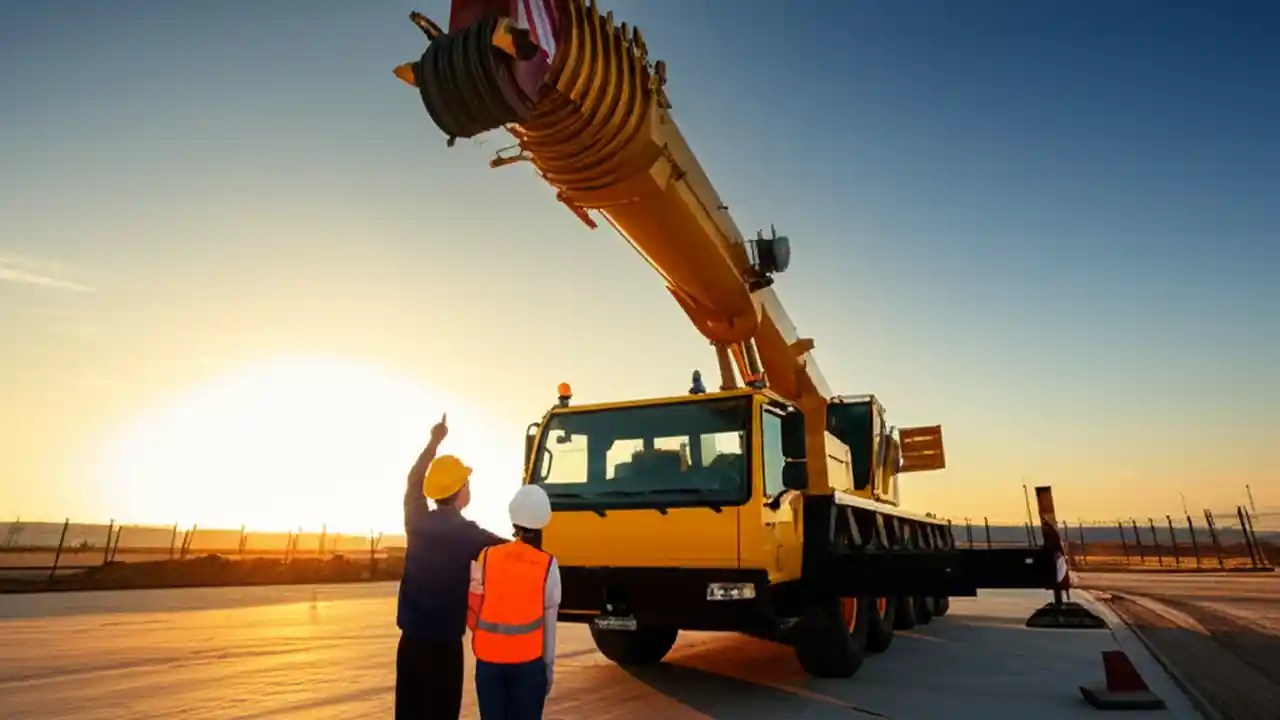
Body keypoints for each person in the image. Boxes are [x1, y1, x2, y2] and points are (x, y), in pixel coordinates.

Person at [396, 413, 506, 720]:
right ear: (460, 491)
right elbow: (508, 551)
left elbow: (414, 478)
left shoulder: (416, 519)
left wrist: (434, 440)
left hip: (410, 642)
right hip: (444, 647)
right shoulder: (467, 533)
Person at [467, 484, 561, 720]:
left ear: (513, 519)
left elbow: (475, 607)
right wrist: (548, 669)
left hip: (488, 664)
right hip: (527, 666)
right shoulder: (547, 565)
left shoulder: (487, 556)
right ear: (544, 520)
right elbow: (549, 627)